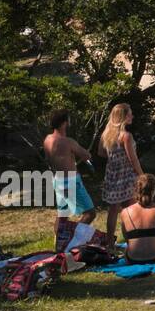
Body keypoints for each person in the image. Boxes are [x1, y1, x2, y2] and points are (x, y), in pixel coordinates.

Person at [43, 109, 98, 246]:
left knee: (62, 215)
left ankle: (58, 244)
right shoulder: (68, 141)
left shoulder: (47, 139)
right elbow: (86, 155)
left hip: (58, 179)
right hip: (71, 181)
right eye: (67, 121)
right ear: (63, 123)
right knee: (90, 213)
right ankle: (73, 241)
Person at [99, 103, 142, 249]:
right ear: (123, 116)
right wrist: (141, 175)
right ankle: (131, 240)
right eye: (130, 113)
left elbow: (101, 152)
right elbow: (133, 159)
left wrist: (114, 157)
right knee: (129, 210)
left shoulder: (106, 133)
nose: (132, 116)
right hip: (127, 175)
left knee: (113, 210)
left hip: (112, 174)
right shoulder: (126, 136)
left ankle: (110, 242)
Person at [120, 174, 155, 264]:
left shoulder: (125, 212)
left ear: (136, 190)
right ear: (154, 190)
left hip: (132, 258)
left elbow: (127, 239)